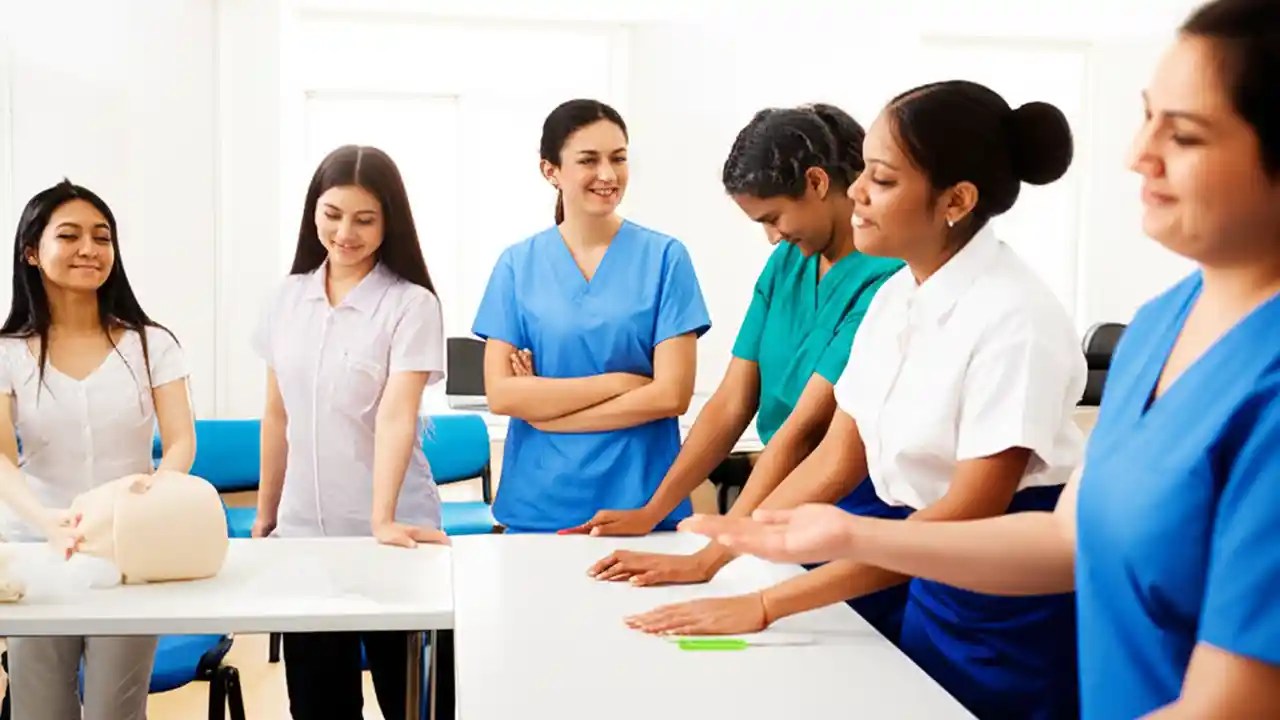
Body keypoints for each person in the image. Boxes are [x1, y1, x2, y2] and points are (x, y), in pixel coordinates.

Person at [680, 1, 1280, 718]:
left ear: (955, 200)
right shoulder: (1159, 327)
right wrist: (820, 537)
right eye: (1145, 118)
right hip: (952, 589)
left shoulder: (1028, 320)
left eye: (1182, 133)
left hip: (1009, 628)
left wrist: (775, 593)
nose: (1136, 156)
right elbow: (1067, 536)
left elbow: (1238, 698)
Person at [629, 81, 1085, 720]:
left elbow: (962, 518)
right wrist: (715, 556)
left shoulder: (1016, 317)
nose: (857, 195)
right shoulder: (899, 296)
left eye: (882, 179)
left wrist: (765, 603)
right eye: (863, 172)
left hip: (1003, 604)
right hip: (927, 581)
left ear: (956, 200)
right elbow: (835, 460)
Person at [581, 104, 909, 639]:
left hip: (850, 508)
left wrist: (711, 557)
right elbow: (732, 402)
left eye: (774, 217)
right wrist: (654, 508)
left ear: (818, 182)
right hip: (780, 510)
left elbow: (804, 434)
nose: (773, 236)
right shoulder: (789, 262)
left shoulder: (886, 280)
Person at [252, 145, 448, 720]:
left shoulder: (411, 304)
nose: (345, 232)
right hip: (305, 540)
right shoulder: (286, 299)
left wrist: (381, 519)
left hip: (395, 536)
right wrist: (267, 514)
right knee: (318, 702)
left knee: (410, 700)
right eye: (333, 214)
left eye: (365, 219)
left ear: (390, 223)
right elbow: (277, 415)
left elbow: (396, 415)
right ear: (314, 211)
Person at [0, 180, 196, 720]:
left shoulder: (152, 344)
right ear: (32, 252)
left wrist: (154, 492)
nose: (90, 248)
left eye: (101, 236)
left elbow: (180, 440)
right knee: (40, 708)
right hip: (38, 547)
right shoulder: (9, 353)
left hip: (131, 545)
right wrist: (46, 521)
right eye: (70, 235)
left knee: (117, 708)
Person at [472, 98, 711, 534]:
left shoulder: (665, 258)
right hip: (539, 505)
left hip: (642, 506)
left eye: (618, 158)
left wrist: (545, 410)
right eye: (589, 160)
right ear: (551, 171)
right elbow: (504, 396)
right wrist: (621, 383)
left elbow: (671, 396)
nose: (608, 174)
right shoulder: (516, 265)